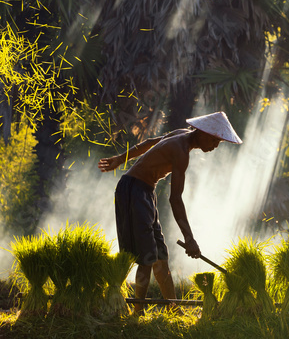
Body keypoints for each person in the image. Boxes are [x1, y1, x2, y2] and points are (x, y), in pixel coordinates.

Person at [98, 112, 242, 311]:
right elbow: (175, 199)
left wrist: (121, 159)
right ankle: (137, 312)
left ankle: (173, 308)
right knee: (146, 257)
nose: (215, 145)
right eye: (214, 139)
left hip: (146, 191)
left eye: (219, 142)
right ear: (201, 132)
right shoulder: (181, 151)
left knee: (160, 255)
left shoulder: (182, 135)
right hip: (133, 190)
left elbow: (149, 142)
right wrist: (189, 238)